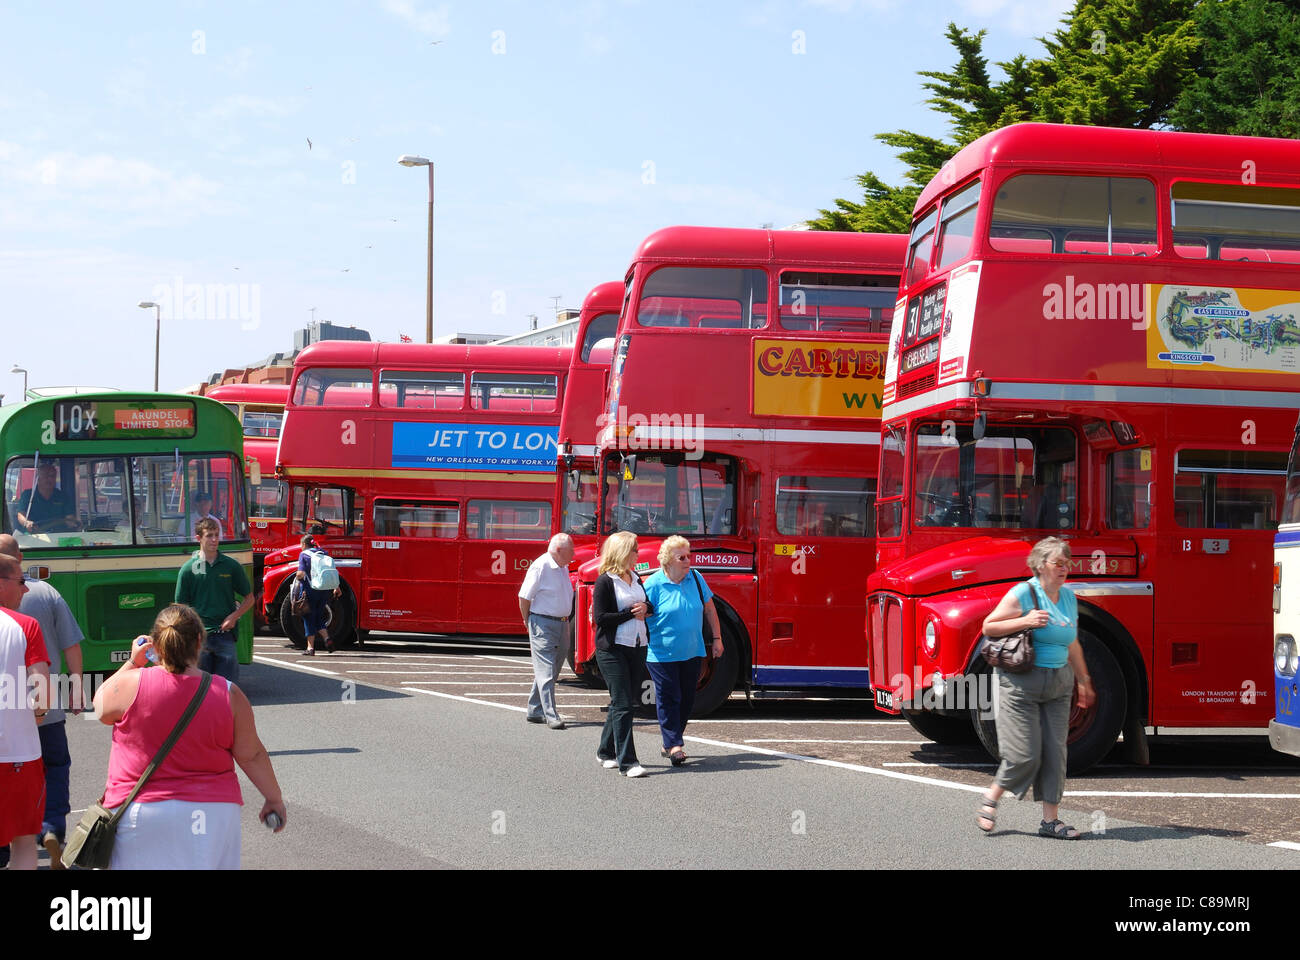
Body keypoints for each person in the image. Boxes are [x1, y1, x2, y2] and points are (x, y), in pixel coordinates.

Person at [92, 604, 287, 869]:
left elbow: (100, 707)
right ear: (198, 641)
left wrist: (132, 661)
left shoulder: (131, 684)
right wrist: (273, 798)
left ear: (156, 645)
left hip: (142, 812)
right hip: (212, 812)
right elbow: (251, 755)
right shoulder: (229, 694)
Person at [976, 536, 1095, 839]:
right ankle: (992, 796)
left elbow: (1073, 643)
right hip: (1020, 683)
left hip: (1059, 683)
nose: (1065, 568)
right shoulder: (1023, 593)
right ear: (1041, 565)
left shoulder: (1068, 598)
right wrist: (1025, 620)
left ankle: (1050, 821)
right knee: (1024, 755)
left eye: (1068, 563)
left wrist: (1084, 681)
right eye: (1059, 563)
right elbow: (988, 627)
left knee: (1056, 752)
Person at [0, 534, 81, 870]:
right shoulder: (41, 600)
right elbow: (70, 644)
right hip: (25, 735)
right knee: (56, 768)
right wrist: (75, 687)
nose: (25, 587)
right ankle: (51, 827)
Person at [642, 536, 722, 766]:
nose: (688, 561)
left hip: (693, 651)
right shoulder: (653, 584)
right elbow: (639, 612)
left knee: (687, 699)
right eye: (682, 557)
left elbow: (709, 609)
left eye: (689, 555)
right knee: (669, 697)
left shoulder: (696, 578)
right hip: (661, 653)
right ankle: (675, 744)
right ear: (668, 560)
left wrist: (717, 638)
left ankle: (669, 741)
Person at [0, 553, 51, 870]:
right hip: (18, 753)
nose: (27, 589)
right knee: (23, 843)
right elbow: (42, 692)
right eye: (21, 581)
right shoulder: (25, 626)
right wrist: (36, 714)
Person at [591, 531, 651, 778]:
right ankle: (628, 762)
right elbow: (601, 618)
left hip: (637, 646)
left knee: (621, 702)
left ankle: (605, 751)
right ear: (623, 552)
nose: (638, 553)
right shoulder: (605, 581)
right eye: (634, 549)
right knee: (625, 703)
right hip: (612, 649)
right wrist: (630, 613)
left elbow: (648, 606)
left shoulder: (635, 577)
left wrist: (646, 608)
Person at [175, 517, 254, 683]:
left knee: (227, 690)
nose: (214, 539)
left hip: (225, 637)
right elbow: (180, 608)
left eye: (217, 535)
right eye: (209, 535)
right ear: (198, 538)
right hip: (199, 638)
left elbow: (250, 598)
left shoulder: (231, 566)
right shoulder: (188, 569)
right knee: (200, 691)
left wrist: (234, 617)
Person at [517, 533, 575, 730]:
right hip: (543, 622)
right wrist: (528, 621)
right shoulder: (541, 566)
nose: (574, 553)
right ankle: (551, 714)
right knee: (547, 670)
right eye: (571, 550)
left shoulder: (562, 566)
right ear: (558, 550)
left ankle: (535, 709)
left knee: (551, 668)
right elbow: (524, 597)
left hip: (561, 622)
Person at [295, 534, 340, 656]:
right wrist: (337, 587)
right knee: (319, 616)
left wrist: (297, 577)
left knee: (308, 617)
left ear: (304, 544)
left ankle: (310, 648)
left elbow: (300, 574)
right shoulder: (324, 553)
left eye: (301, 545)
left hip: (310, 590)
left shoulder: (304, 554)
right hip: (324, 590)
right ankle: (327, 639)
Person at [14, 461, 78, 534]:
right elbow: (21, 515)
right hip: (34, 535)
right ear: (37, 479)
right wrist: (27, 523)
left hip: (58, 535)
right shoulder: (28, 494)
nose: (49, 479)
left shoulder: (62, 496)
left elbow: (69, 517)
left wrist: (73, 523)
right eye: (46, 476)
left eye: (52, 476)